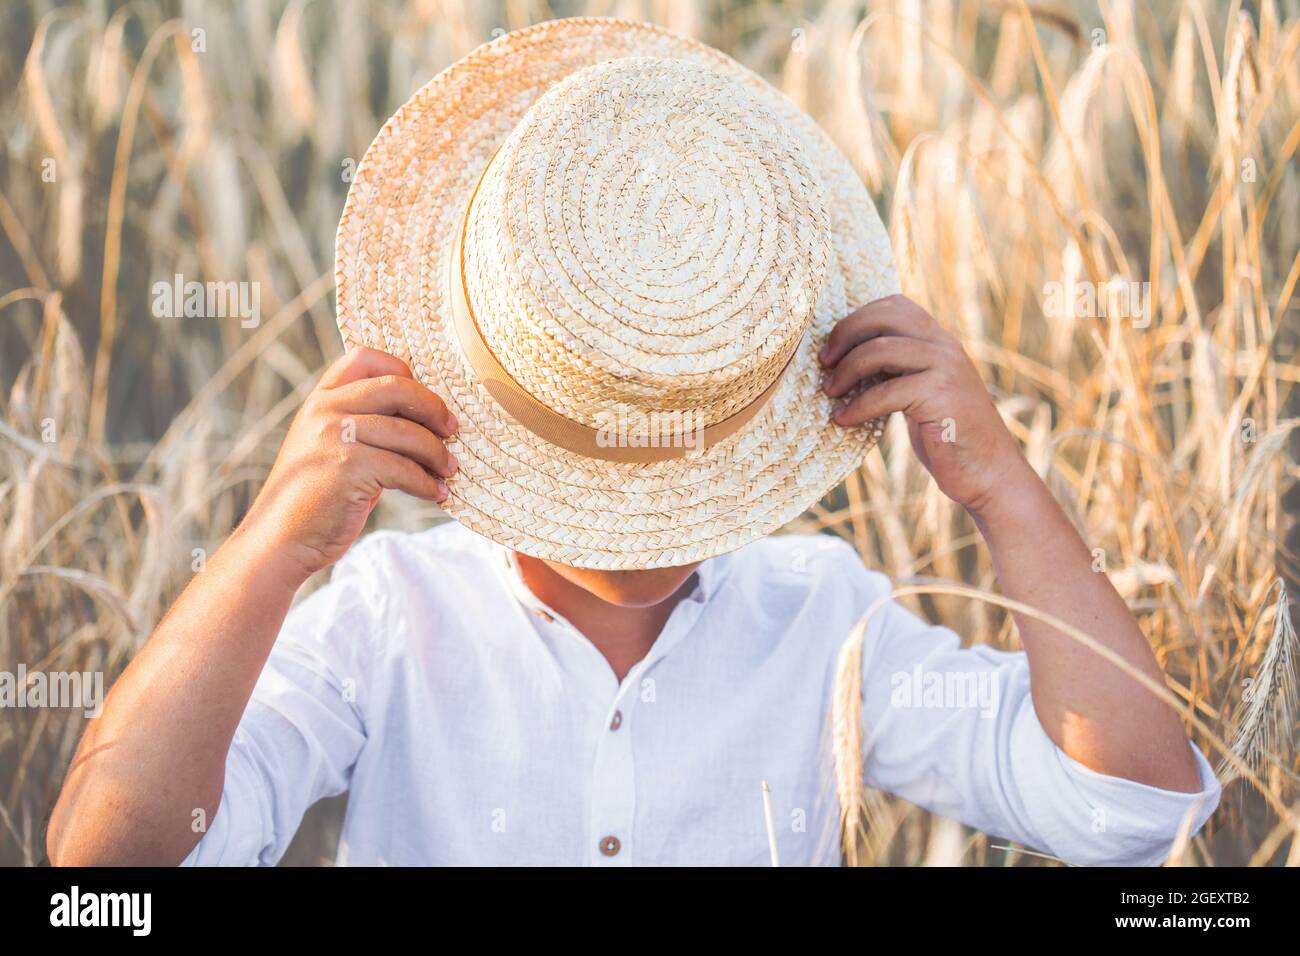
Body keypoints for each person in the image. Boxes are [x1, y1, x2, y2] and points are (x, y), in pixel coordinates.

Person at [47, 21, 1218, 867]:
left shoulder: (820, 621)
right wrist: (269, 550)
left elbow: (1127, 812)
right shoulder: (386, 617)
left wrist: (1001, 486)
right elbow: (107, 876)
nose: (643, 505)